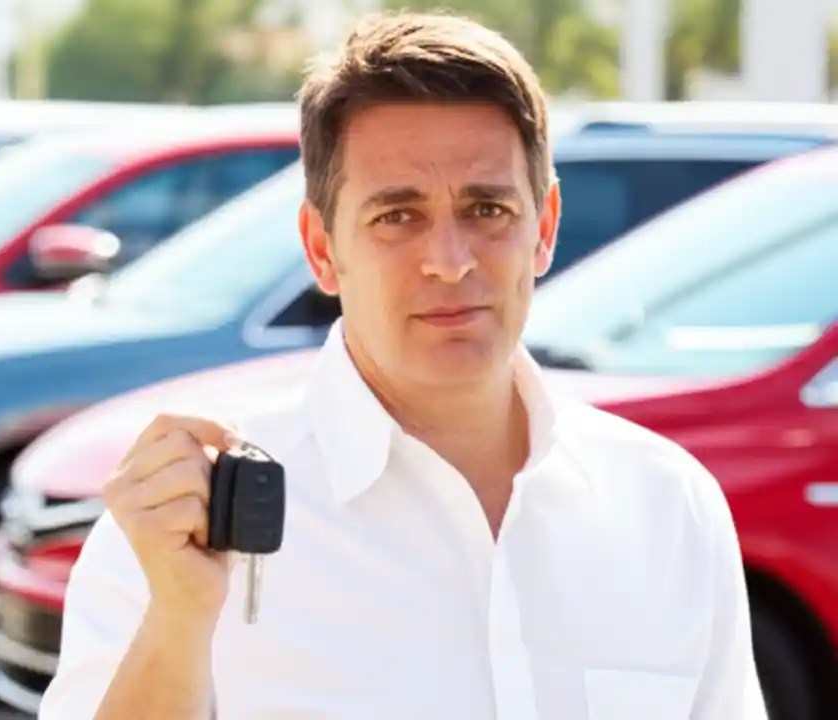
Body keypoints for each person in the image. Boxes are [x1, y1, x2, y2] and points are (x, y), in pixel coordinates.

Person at [40, 10, 768, 720]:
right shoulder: (188, 532)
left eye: (487, 210)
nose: (449, 261)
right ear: (322, 249)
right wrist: (179, 619)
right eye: (397, 216)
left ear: (544, 228)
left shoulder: (665, 503)